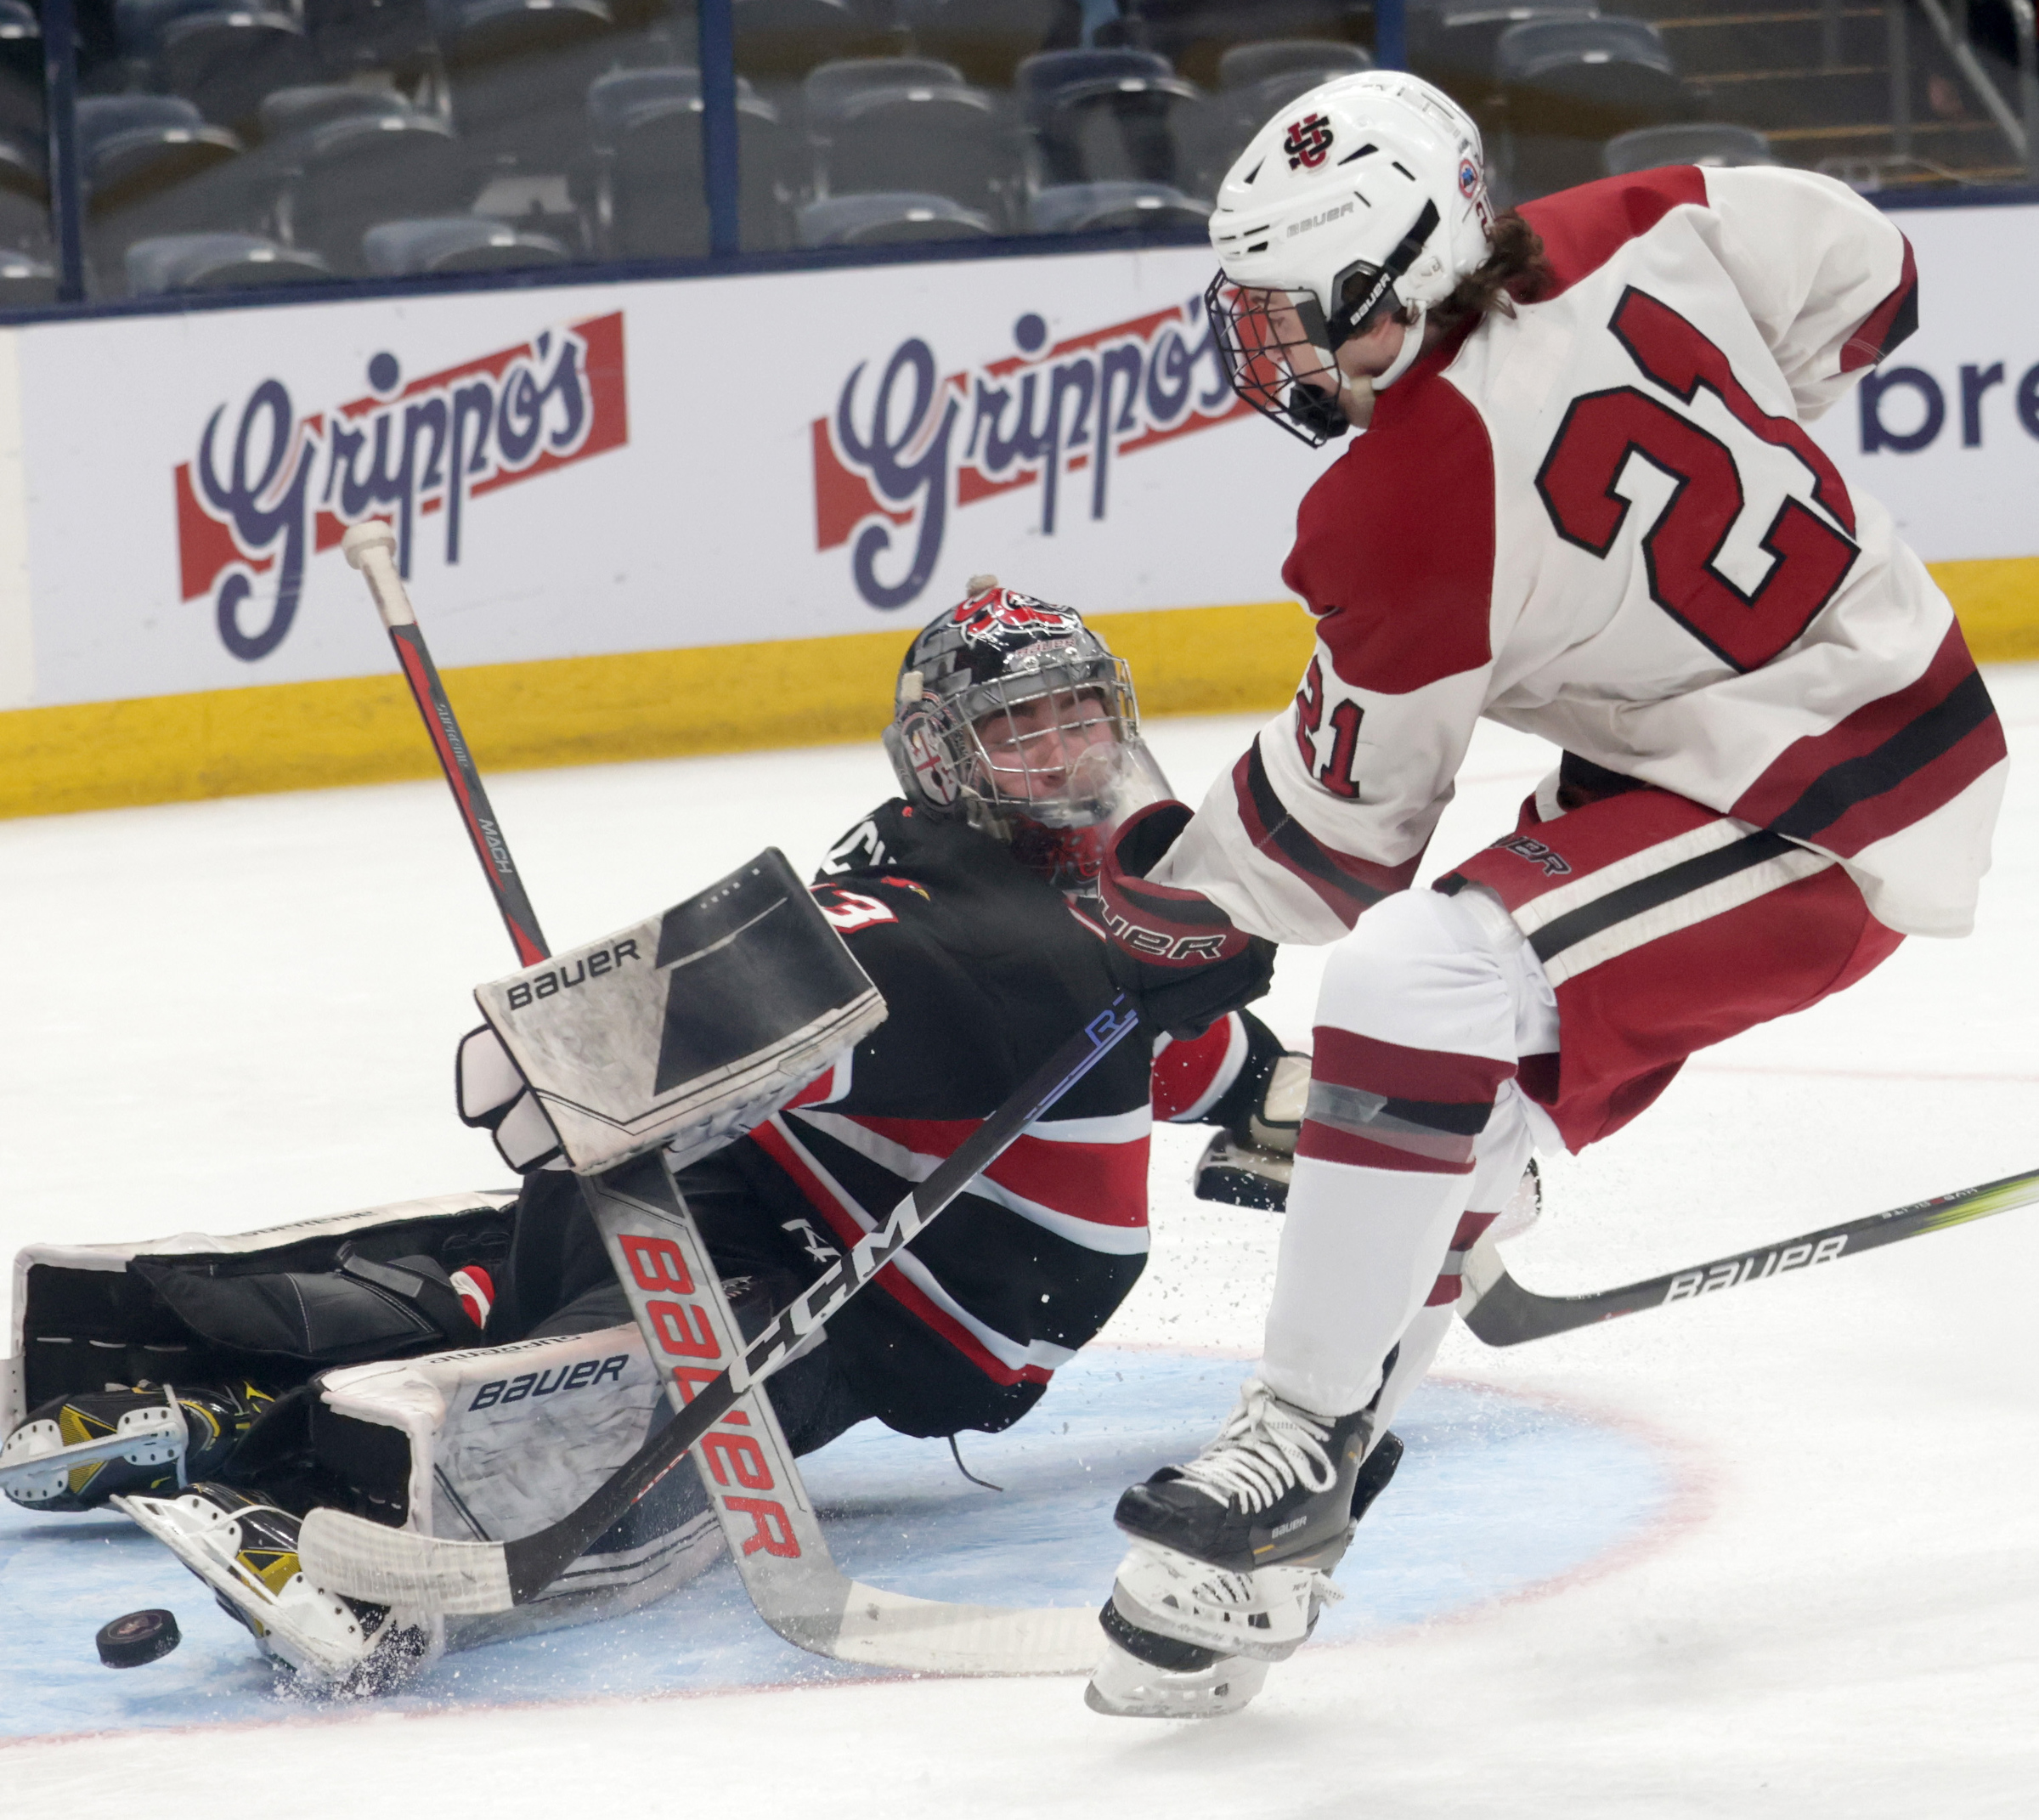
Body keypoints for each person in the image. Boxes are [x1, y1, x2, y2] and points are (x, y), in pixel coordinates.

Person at [1083, 71, 2006, 1718]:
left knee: (1410, 983)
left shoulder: (1401, 497)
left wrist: (1178, 894)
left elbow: (1337, 845)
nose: (1270, 349)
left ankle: (1296, 1439)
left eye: (1298, 310)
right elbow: (1873, 272)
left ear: (1403, 274)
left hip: (1828, 798)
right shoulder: (1644, 221)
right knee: (1444, 1087)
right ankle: (1254, 1563)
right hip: (1758, 742)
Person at [1, 579, 1312, 1692]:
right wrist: (609, 1031)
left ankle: (224, 1387)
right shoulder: (950, 913)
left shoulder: (1105, 930)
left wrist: (1318, 1107)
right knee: (616, 1341)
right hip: (843, 1298)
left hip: (788, 1221)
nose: (1070, 756)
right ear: (943, 757)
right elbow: (879, 966)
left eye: (1083, 716)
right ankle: (299, 1469)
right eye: (1021, 728)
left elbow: (1163, 1048)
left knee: (536, 1275)